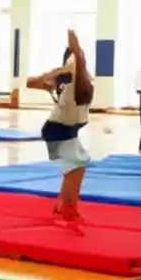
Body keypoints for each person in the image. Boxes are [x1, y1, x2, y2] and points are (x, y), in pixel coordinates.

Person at [27, 30, 93, 222]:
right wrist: (47, 80)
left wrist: (76, 50)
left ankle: (62, 205)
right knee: (76, 166)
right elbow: (30, 82)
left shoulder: (82, 80)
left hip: (70, 129)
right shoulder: (65, 79)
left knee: (78, 165)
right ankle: (68, 207)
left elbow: (78, 61)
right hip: (58, 128)